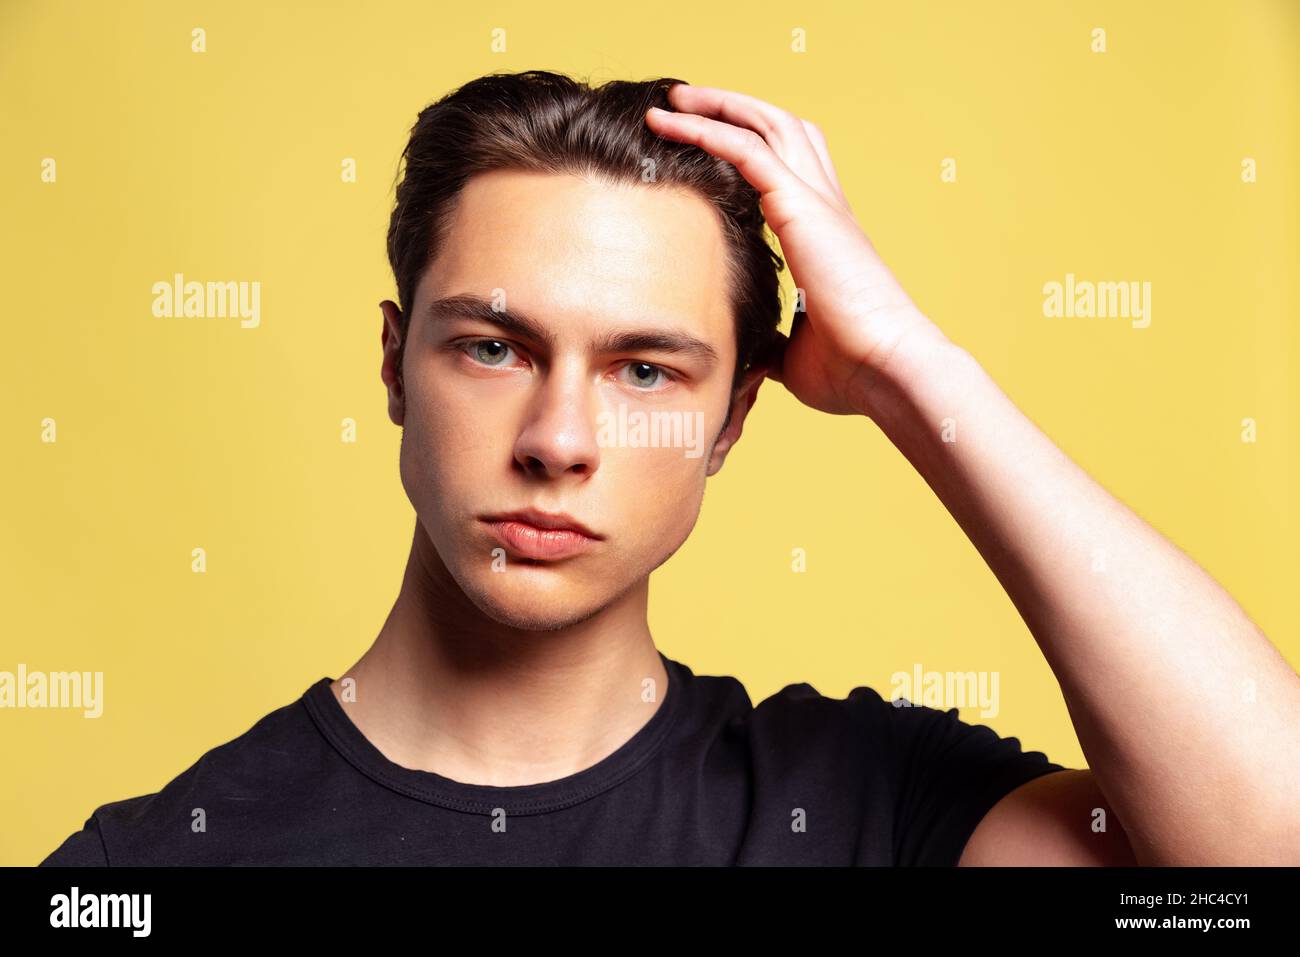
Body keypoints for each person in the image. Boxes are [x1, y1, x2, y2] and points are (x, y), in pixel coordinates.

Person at [41, 70, 1298, 867]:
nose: (559, 439)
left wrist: (912, 371)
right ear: (392, 363)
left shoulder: (873, 815)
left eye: (647, 371)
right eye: (492, 346)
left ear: (734, 416)